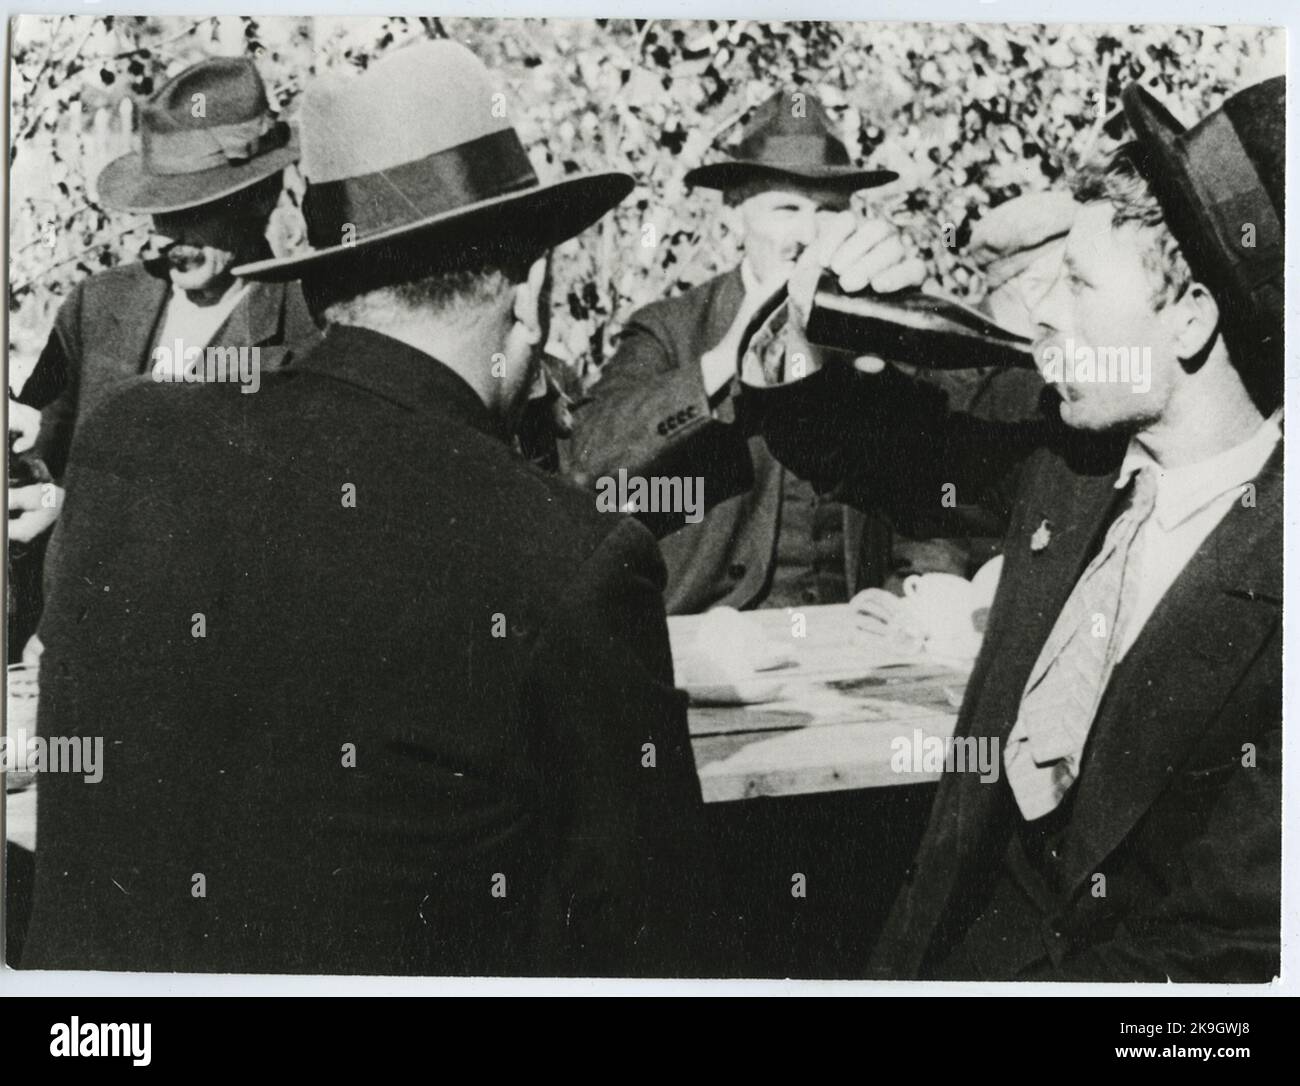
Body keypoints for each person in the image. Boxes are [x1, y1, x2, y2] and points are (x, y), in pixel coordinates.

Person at [23, 40, 703, 977]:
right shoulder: (575, 561)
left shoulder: (127, 448)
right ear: (532, 290)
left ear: (323, 282)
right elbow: (654, 937)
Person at [740, 76, 1283, 981]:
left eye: (1077, 282)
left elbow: (1222, 954)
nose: (1043, 316)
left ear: (1189, 317)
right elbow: (865, 444)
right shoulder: (1069, 450)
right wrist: (809, 314)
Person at [566, 89, 990, 614]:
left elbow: (936, 496)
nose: (807, 234)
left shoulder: (874, 335)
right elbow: (584, 466)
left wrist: (918, 590)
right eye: (785, 208)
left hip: (852, 647)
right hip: (707, 649)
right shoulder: (671, 331)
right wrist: (724, 361)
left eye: (830, 211)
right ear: (734, 215)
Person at [7, 55, 319, 658]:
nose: (166, 233)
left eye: (192, 210)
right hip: (75, 653)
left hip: (215, 663)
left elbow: (280, 529)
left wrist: (91, 516)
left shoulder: (307, 334)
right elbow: (41, 455)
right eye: (160, 209)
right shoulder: (96, 307)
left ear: (259, 198)